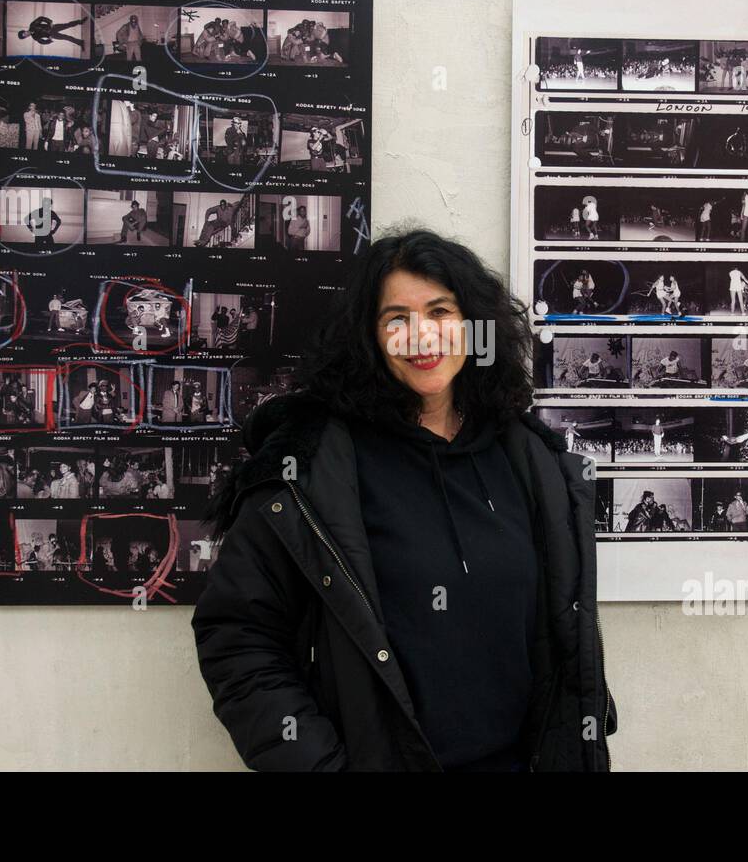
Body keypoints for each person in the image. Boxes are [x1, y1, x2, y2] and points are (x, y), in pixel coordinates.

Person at [192, 227, 616, 772]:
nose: (422, 337)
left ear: (473, 326)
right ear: (369, 337)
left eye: (440, 312)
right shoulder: (313, 467)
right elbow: (238, 636)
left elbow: (565, 635)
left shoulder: (532, 459)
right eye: (397, 320)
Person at [18, 13, 88, 48]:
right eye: (25, 36)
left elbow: (41, 18)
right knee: (66, 37)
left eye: (24, 33)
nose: (26, 34)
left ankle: (80, 22)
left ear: (24, 31)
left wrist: (49, 22)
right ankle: (80, 43)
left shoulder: (32, 25)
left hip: (53, 27)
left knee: (67, 25)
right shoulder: (35, 37)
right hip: (52, 35)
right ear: (26, 37)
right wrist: (49, 40)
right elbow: (42, 42)